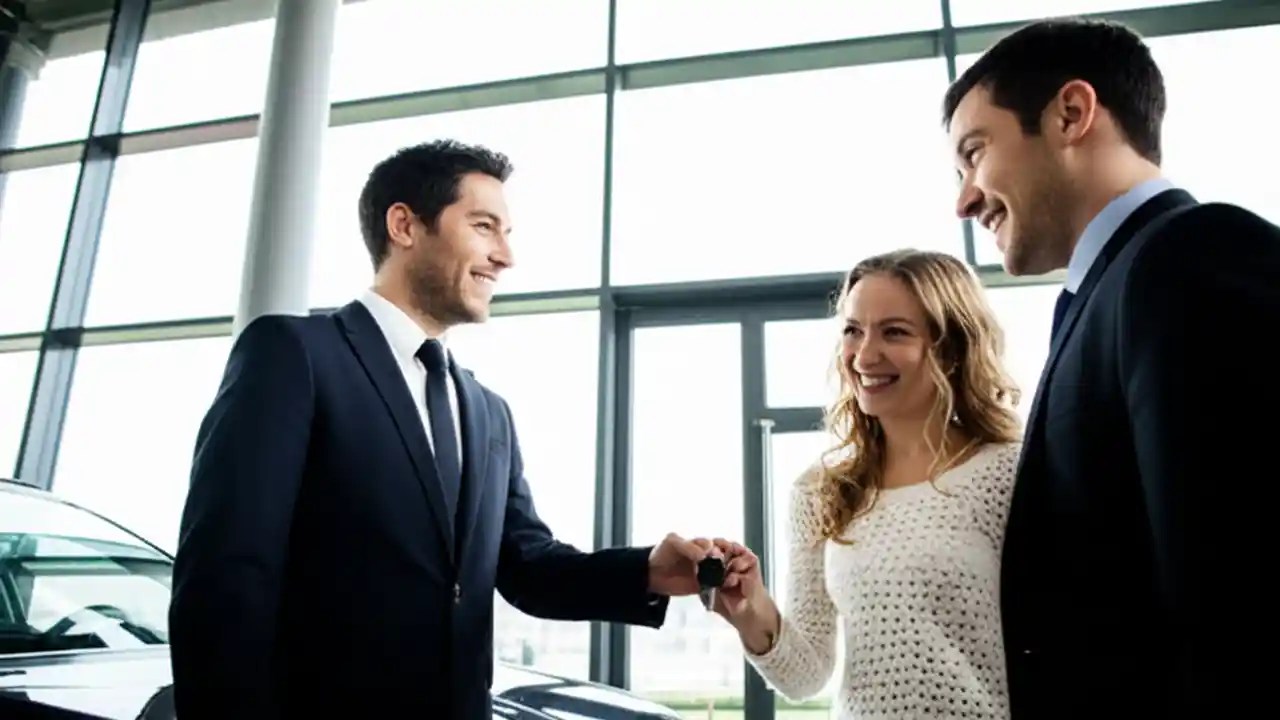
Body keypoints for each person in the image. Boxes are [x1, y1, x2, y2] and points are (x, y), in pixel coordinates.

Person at [168, 139, 740, 719]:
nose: (505, 257)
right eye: (485, 226)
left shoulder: (488, 411)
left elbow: (529, 569)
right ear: (405, 225)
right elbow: (226, 577)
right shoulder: (295, 355)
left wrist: (646, 570)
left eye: (507, 233)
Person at [943, 18, 1280, 718]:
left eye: (974, 153)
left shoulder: (1190, 259)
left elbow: (1239, 602)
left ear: (1071, 113)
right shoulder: (1118, 288)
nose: (965, 198)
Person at [709, 249, 1024, 718]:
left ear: (951, 348)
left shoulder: (1010, 473)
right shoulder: (820, 491)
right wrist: (750, 609)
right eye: (853, 330)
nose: (865, 354)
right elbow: (806, 674)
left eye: (894, 332)